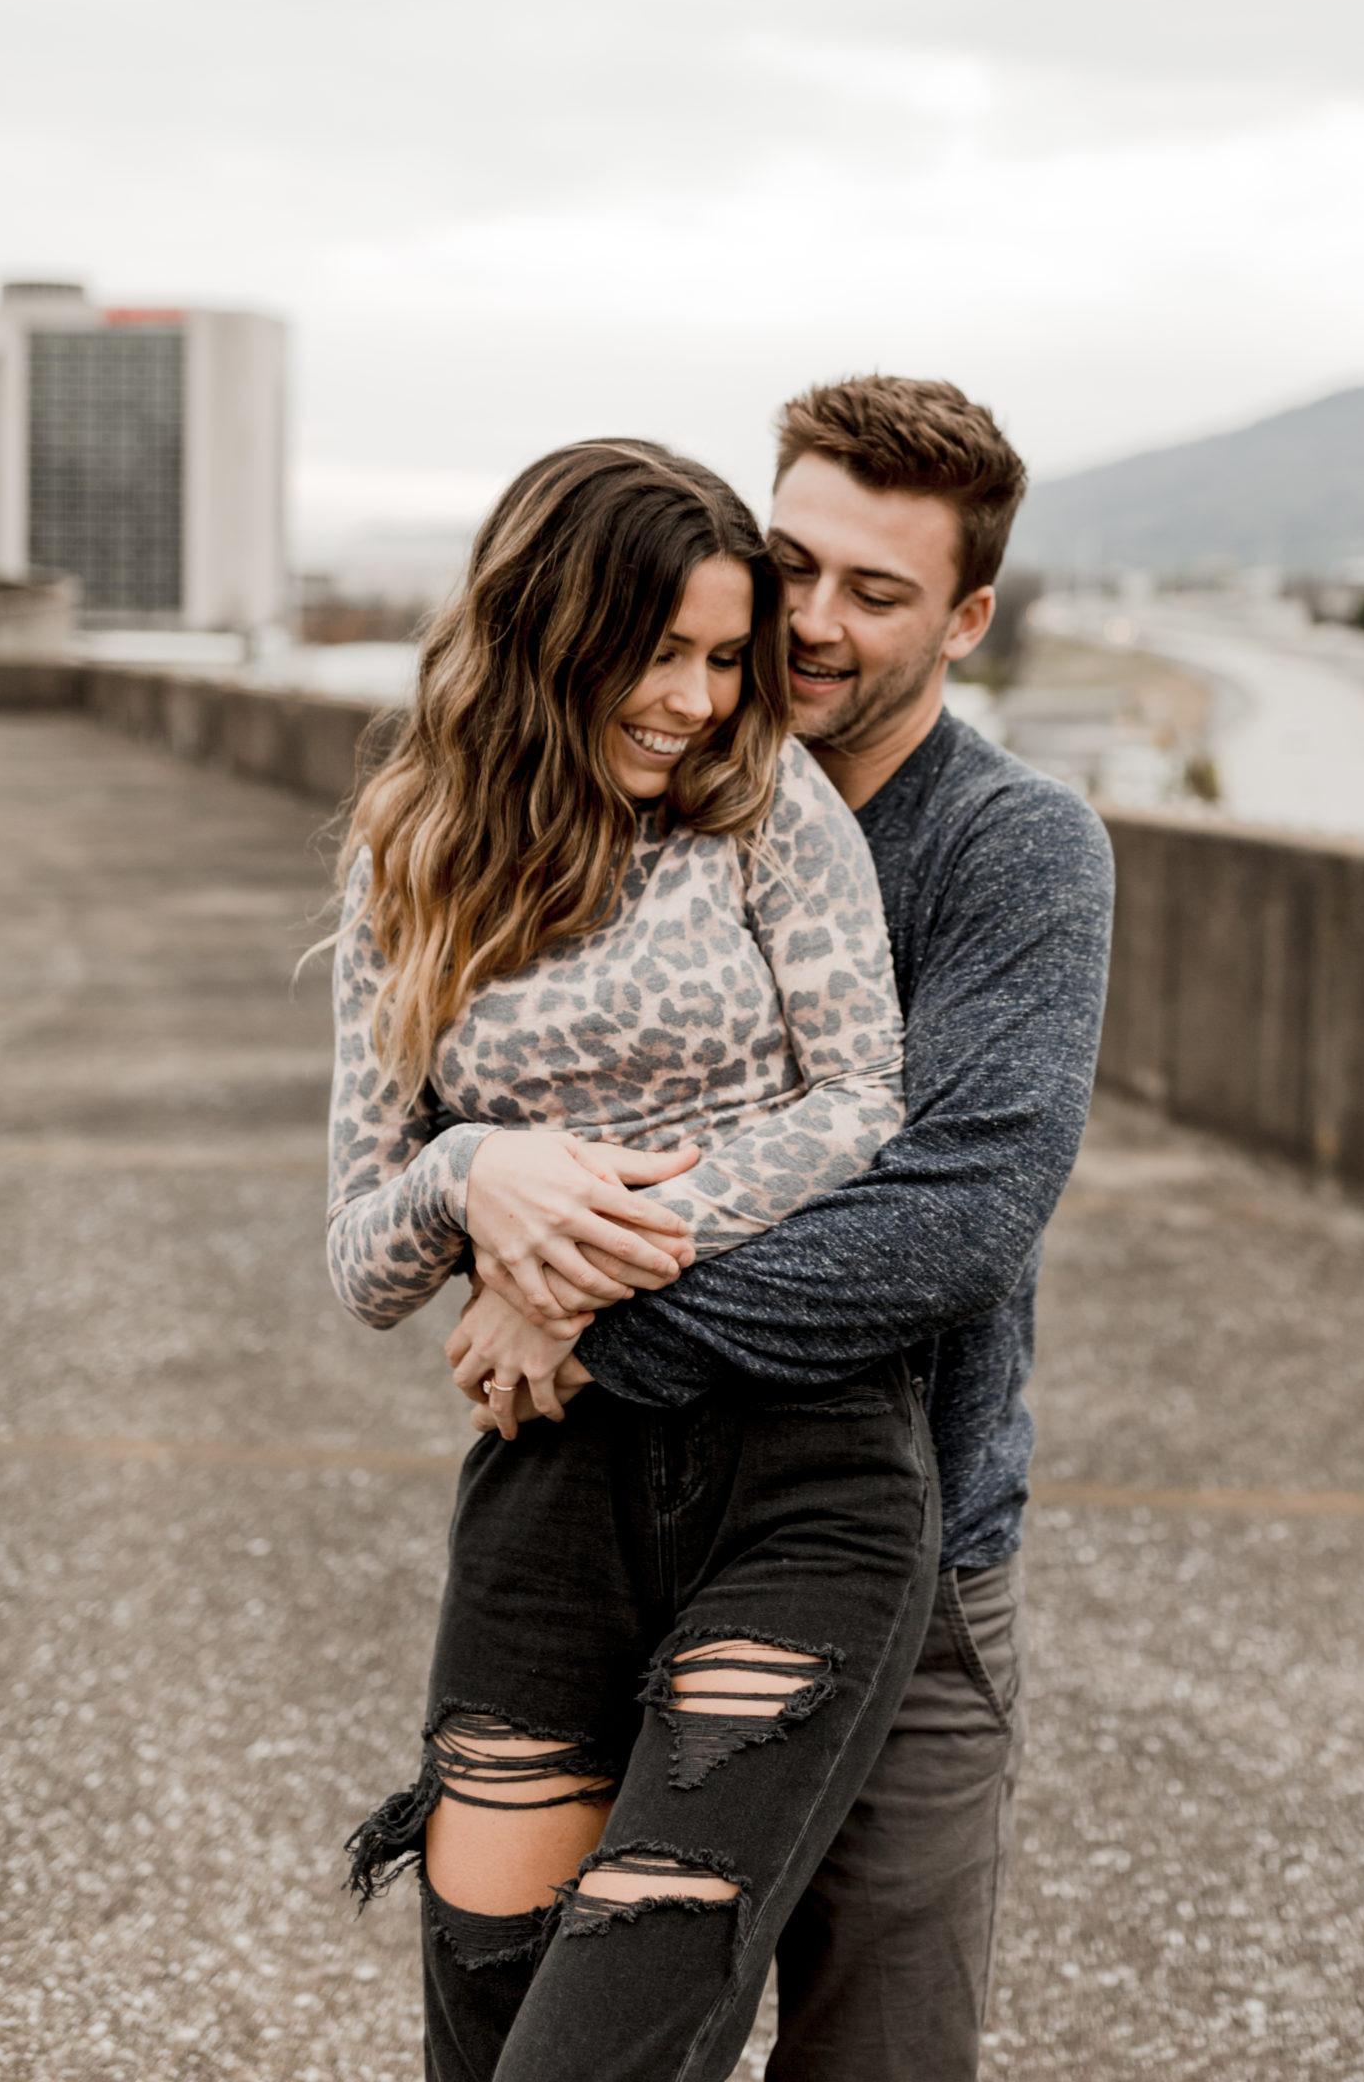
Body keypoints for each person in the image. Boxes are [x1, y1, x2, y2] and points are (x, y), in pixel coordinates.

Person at [455, 376, 1116, 2081]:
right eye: (791, 566)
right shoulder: (619, 790)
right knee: (555, 2030)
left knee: (874, 2046)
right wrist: (475, 1172)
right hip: (598, 1525)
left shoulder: (1011, 849)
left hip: (907, 1540)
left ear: (967, 619)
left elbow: (948, 1222)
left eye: (876, 592)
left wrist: (581, 1312)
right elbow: (482, 1091)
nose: (811, 623)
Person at [326, 439, 942, 2082]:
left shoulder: (768, 807)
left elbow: (860, 1102)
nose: (693, 700)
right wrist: (477, 1170)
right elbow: (365, 1260)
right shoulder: (409, 854)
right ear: (547, 634)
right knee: (488, 2013)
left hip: (802, 1474)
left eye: (725, 658)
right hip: (548, 1496)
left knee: (603, 2035)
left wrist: (569, 1272)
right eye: (657, 652)